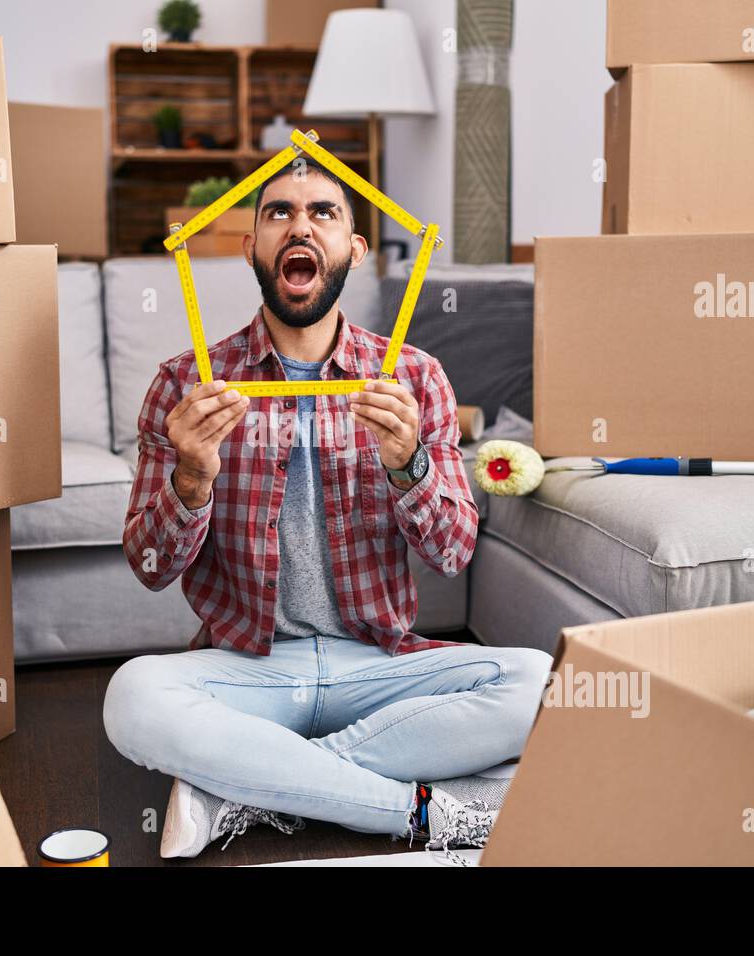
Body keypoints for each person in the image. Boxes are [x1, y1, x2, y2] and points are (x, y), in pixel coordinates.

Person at [102, 158, 553, 865]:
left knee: (539, 683)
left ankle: (254, 785)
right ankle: (412, 811)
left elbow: (453, 553)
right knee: (132, 697)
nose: (300, 225)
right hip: (249, 671)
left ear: (354, 249)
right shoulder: (185, 384)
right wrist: (191, 476)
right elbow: (150, 568)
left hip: (376, 666)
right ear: (251, 247)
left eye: (324, 212)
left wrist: (410, 464)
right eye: (278, 212)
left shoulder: (414, 377)